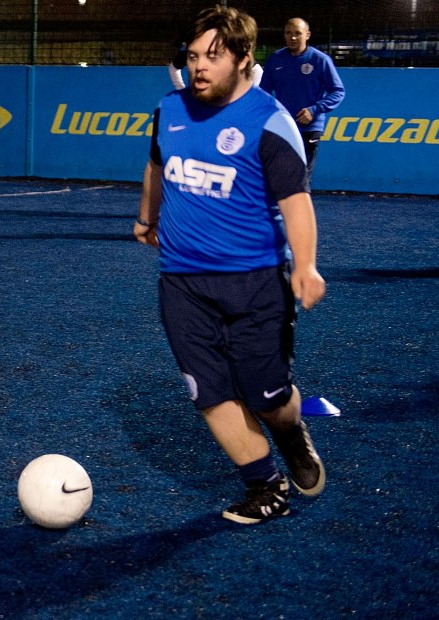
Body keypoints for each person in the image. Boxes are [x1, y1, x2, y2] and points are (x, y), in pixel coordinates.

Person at [134, 6, 327, 525]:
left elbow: (296, 202)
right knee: (209, 390)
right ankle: (265, 486)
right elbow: (157, 163)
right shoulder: (169, 108)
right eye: (193, 56)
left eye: (212, 57)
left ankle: (289, 433)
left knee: (266, 395)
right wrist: (145, 216)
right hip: (181, 281)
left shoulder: (270, 120)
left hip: (256, 283)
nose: (199, 67)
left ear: (244, 59)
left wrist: (305, 267)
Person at [259, 17, 346, 181]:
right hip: (283, 128)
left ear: (307, 35)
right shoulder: (275, 59)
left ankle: (298, 207)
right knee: (278, 176)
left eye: (297, 33)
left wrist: (314, 110)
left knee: (300, 177)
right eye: (288, 33)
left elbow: (338, 91)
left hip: (309, 128)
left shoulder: (320, 60)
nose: (292, 37)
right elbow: (263, 93)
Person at [170, 41, 261, 90]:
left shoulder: (229, 48)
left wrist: (249, 93)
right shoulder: (190, 50)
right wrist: (180, 88)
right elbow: (173, 68)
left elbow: (256, 70)